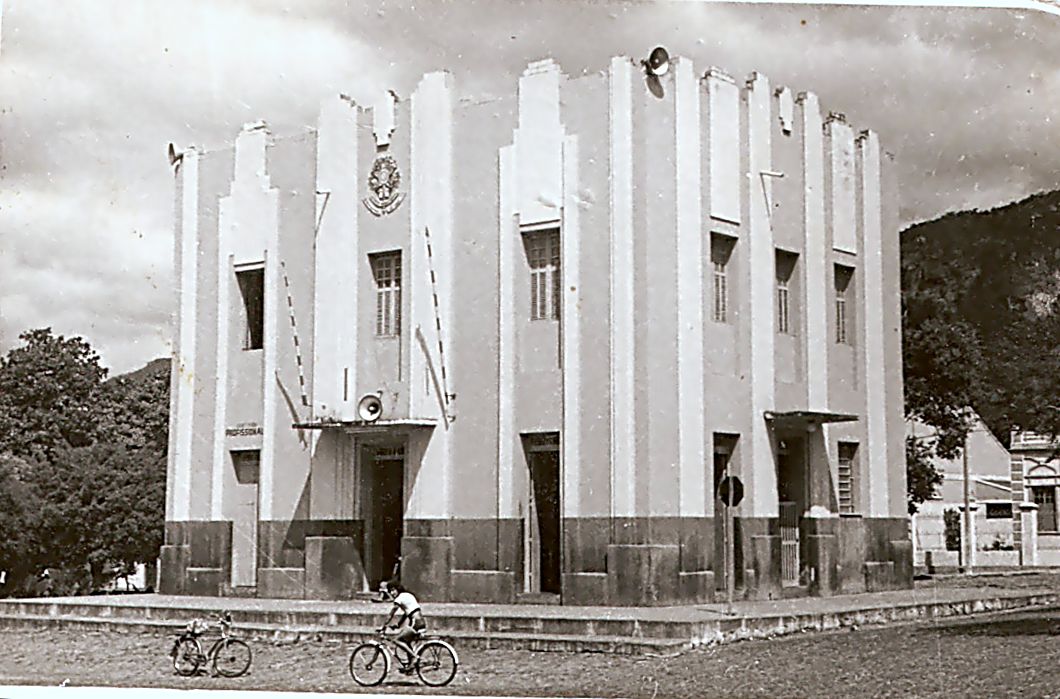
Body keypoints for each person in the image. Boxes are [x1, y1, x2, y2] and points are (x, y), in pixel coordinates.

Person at [379, 582, 426, 671]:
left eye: (393, 590)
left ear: (398, 589)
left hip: (415, 622)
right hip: (421, 622)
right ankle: (411, 665)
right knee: (406, 641)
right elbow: (406, 613)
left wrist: (384, 626)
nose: (392, 593)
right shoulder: (407, 595)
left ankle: (414, 657)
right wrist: (398, 624)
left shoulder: (399, 598)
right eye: (390, 591)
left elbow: (391, 613)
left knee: (397, 640)